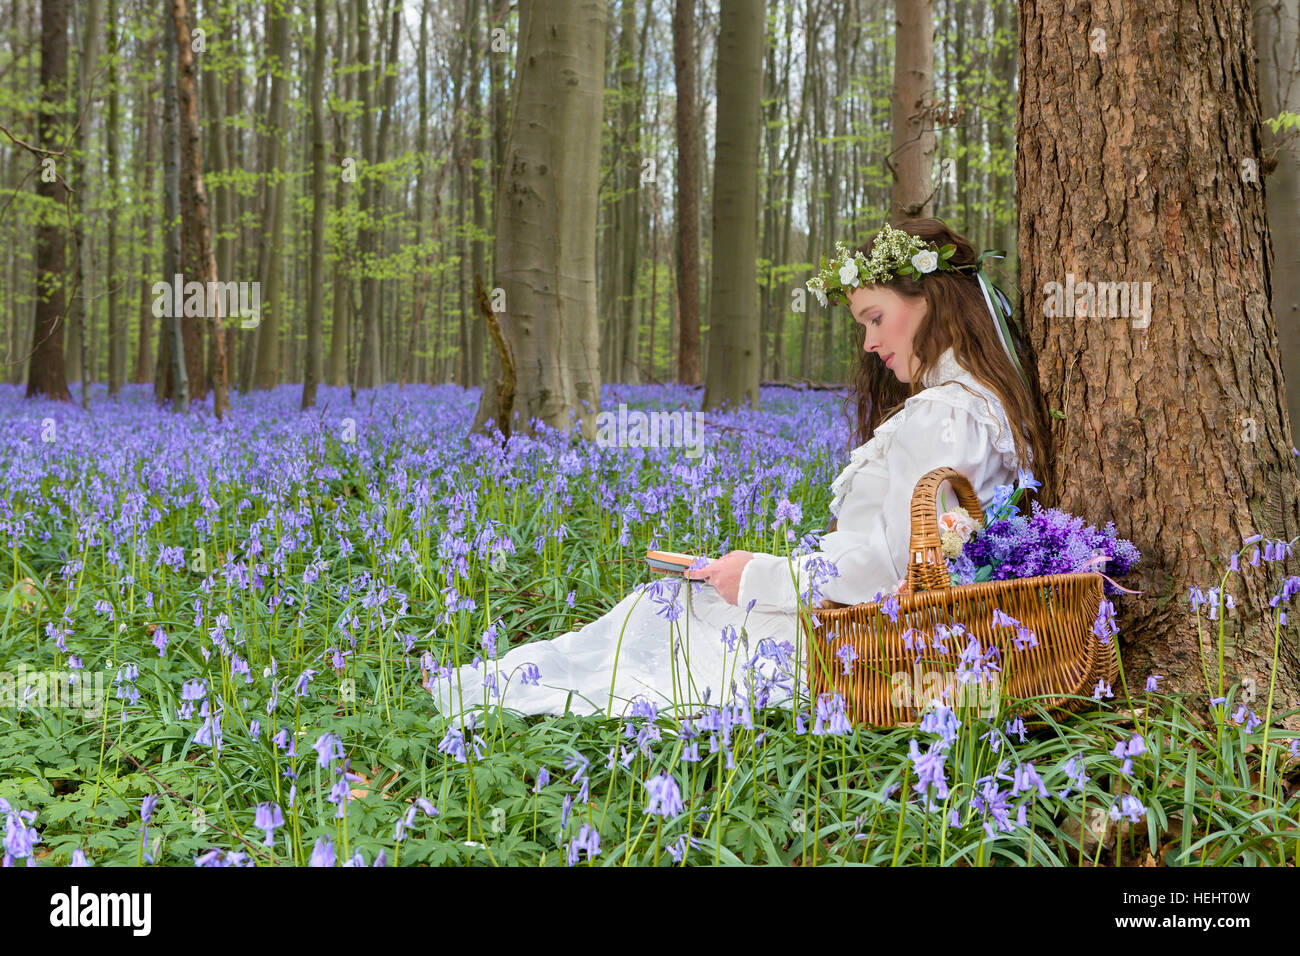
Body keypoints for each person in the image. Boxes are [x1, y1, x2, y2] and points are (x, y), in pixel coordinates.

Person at [427, 218, 1054, 728]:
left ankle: (512, 696)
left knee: (670, 610)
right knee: (674, 605)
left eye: (873, 317)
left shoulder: (945, 415)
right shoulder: (971, 407)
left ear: (930, 300)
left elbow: (886, 571)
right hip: (868, 627)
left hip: (862, 648)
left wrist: (756, 575)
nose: (867, 343)